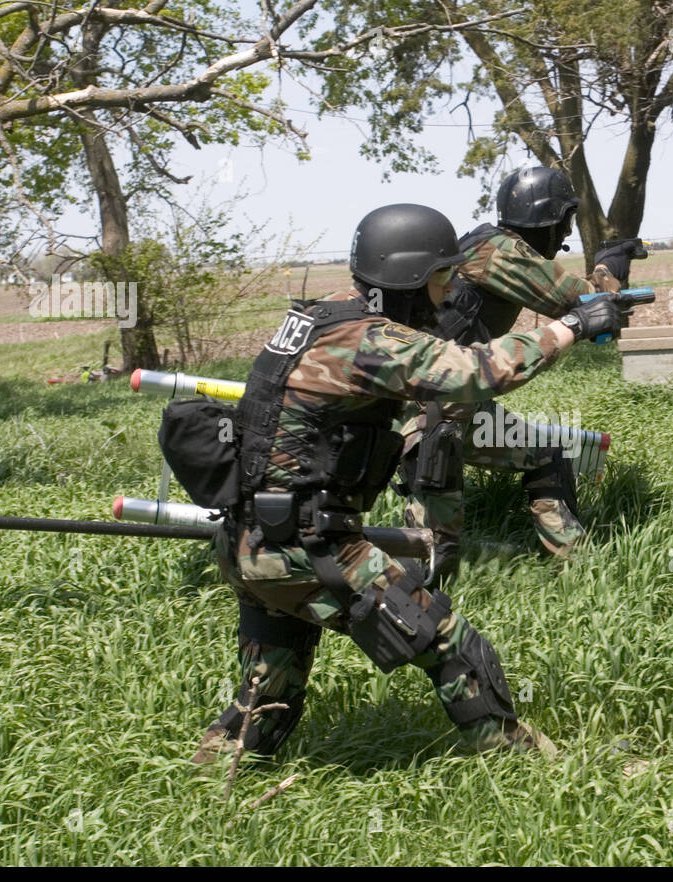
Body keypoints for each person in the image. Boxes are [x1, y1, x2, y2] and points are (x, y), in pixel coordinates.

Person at [191, 203, 625, 764]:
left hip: (250, 544)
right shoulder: (364, 340)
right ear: (411, 278)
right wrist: (572, 325)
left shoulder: (318, 318)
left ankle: (210, 782)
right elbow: (473, 372)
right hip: (310, 549)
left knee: (264, 700)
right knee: (455, 647)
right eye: (442, 279)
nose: (448, 295)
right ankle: (535, 770)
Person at [398, 166, 646, 585]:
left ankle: (579, 576)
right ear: (551, 220)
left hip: (454, 402)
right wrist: (608, 267)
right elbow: (589, 304)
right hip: (430, 411)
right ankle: (405, 603)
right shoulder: (499, 252)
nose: (565, 236)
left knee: (546, 454)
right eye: (565, 222)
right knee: (433, 545)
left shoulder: (490, 246)